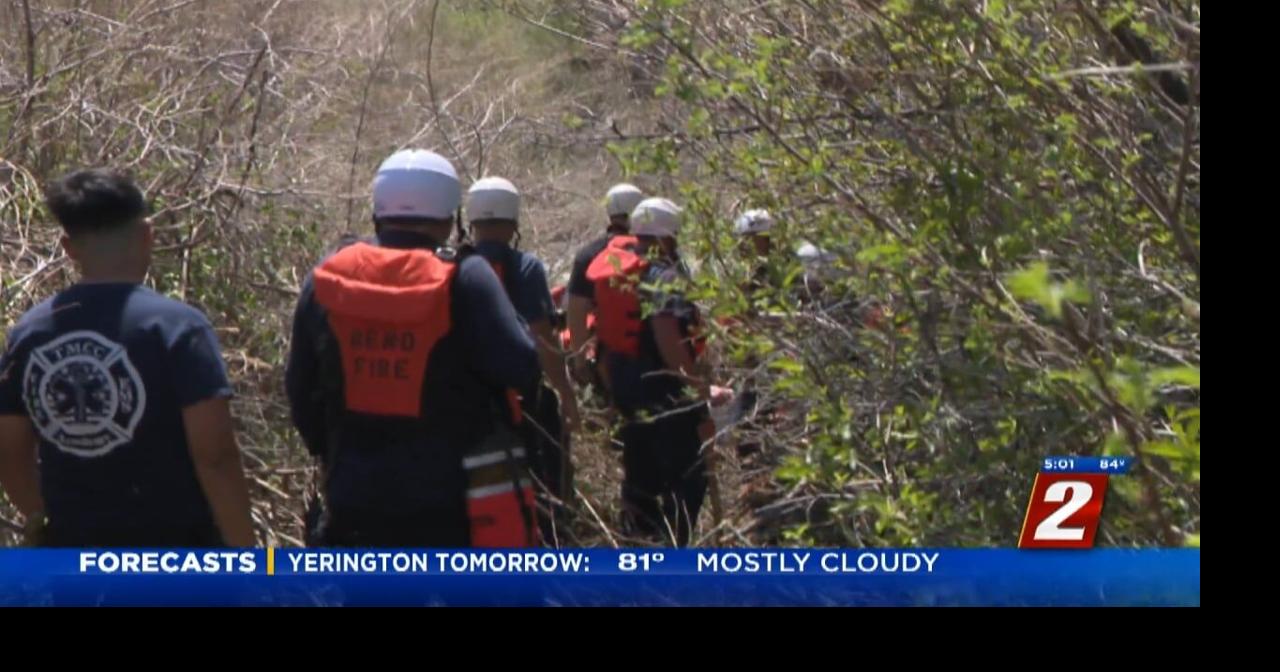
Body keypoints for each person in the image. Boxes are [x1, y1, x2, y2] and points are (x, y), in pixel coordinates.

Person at [285, 149, 539, 547]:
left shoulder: (328, 274)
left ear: (378, 209)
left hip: (353, 496)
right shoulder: (467, 276)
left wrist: (333, 452)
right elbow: (521, 367)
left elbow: (300, 388)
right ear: (451, 214)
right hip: (452, 503)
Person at [0, 168, 255, 547]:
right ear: (147, 235)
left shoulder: (31, 332)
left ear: (68, 248)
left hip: (75, 561)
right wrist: (248, 559)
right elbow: (215, 456)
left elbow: (10, 451)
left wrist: (42, 516)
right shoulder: (178, 328)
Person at [586, 197, 731, 546]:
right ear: (670, 236)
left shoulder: (619, 273)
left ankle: (637, 557)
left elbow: (602, 342)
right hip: (668, 400)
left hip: (630, 397)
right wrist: (698, 388)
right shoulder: (664, 276)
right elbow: (668, 336)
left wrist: (614, 393)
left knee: (640, 485)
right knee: (689, 484)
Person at [464, 176, 580, 542]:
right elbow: (544, 340)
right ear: (514, 222)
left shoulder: (453, 265)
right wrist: (566, 394)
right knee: (545, 478)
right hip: (523, 399)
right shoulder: (527, 268)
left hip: (466, 398)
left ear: (471, 220)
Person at [566, 183, 645, 387]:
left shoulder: (588, 255)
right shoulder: (652, 251)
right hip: (651, 353)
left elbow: (576, 312)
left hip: (609, 359)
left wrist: (580, 359)